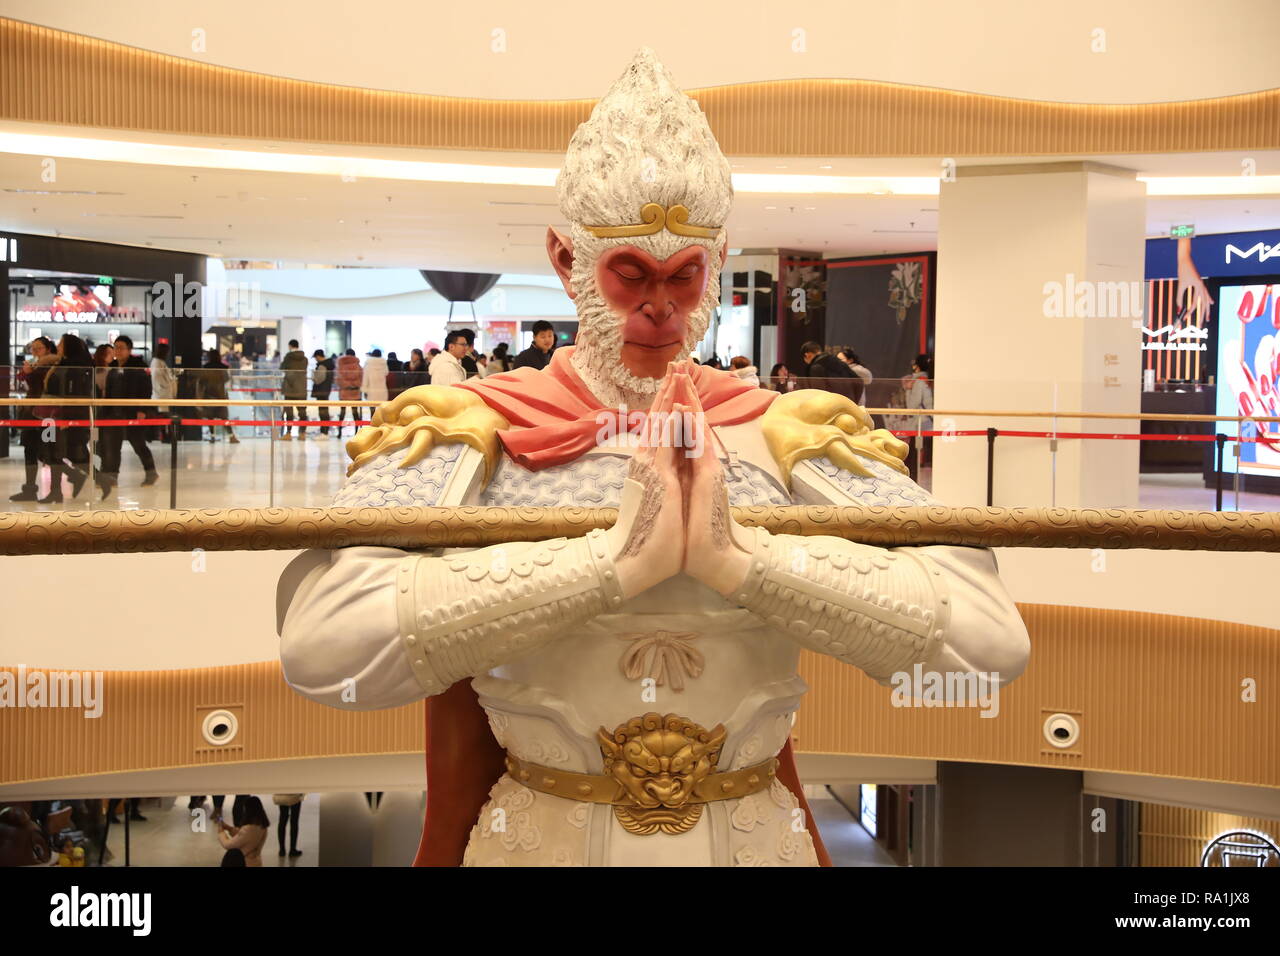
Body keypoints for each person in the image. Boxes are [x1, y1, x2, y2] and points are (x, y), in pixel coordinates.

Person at [278, 49, 1028, 868]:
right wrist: (610, 566)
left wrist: (744, 562)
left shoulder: (789, 429)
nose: (660, 308)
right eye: (630, 274)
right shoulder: (475, 427)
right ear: (568, 262)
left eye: (684, 275)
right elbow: (325, 653)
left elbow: (987, 650)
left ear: (718, 264)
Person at [97, 335, 160, 498]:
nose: (118, 350)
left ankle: (151, 472)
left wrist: (142, 409)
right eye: (116, 347)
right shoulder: (112, 367)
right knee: (113, 446)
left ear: (129, 350)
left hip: (132, 412)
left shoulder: (138, 366)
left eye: (121, 347)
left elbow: (147, 389)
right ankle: (112, 477)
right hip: (114, 413)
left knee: (138, 443)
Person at [37, 334, 93, 504]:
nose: (58, 346)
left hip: (62, 417)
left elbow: (72, 395)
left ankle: (62, 487)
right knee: (49, 451)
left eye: (61, 343)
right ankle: (62, 486)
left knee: (56, 451)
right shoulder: (63, 364)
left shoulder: (74, 368)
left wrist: (65, 419)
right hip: (51, 415)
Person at [10, 337, 57, 502]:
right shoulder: (34, 364)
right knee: (30, 449)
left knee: (48, 452)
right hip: (32, 413)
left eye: (39, 348)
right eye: (33, 348)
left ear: (48, 349)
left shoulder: (51, 365)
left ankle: (60, 486)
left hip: (46, 415)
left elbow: (41, 387)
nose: (35, 351)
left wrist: (29, 375)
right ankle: (30, 489)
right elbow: (21, 380)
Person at [195, 349, 240, 444]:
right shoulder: (223, 368)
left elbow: (201, 381)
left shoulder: (206, 367)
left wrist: (199, 397)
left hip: (208, 396)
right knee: (224, 417)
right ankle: (231, 436)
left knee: (210, 417)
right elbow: (226, 379)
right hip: (220, 396)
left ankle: (212, 436)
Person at [217, 795, 269, 867]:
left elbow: (228, 845)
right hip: (256, 862)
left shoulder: (248, 829)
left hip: (245, 863)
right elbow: (244, 837)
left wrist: (221, 832)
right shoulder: (262, 826)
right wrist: (229, 828)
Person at [279, 339, 309, 440]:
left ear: (290, 346)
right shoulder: (305, 359)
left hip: (290, 388)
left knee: (289, 412)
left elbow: (282, 367)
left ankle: (288, 433)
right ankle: (302, 433)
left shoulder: (288, 357)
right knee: (302, 412)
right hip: (301, 388)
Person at [334, 348, 365, 436]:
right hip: (355, 392)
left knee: (342, 412)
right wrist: (354, 384)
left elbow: (338, 379)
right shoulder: (358, 366)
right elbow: (361, 379)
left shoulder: (340, 365)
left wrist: (347, 385)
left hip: (344, 392)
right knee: (355, 412)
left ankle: (339, 432)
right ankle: (357, 432)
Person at [311, 349, 335, 437]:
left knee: (323, 411)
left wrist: (313, 374)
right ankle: (324, 431)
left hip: (321, 390)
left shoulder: (322, 366)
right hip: (326, 390)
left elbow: (318, 380)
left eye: (315, 357)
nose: (315, 359)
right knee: (324, 410)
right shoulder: (329, 364)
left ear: (318, 356)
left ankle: (324, 432)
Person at [272, 793, 304, 858]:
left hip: (282, 794)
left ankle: (282, 850)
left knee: (282, 821)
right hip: (295, 795)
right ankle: (292, 849)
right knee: (294, 822)